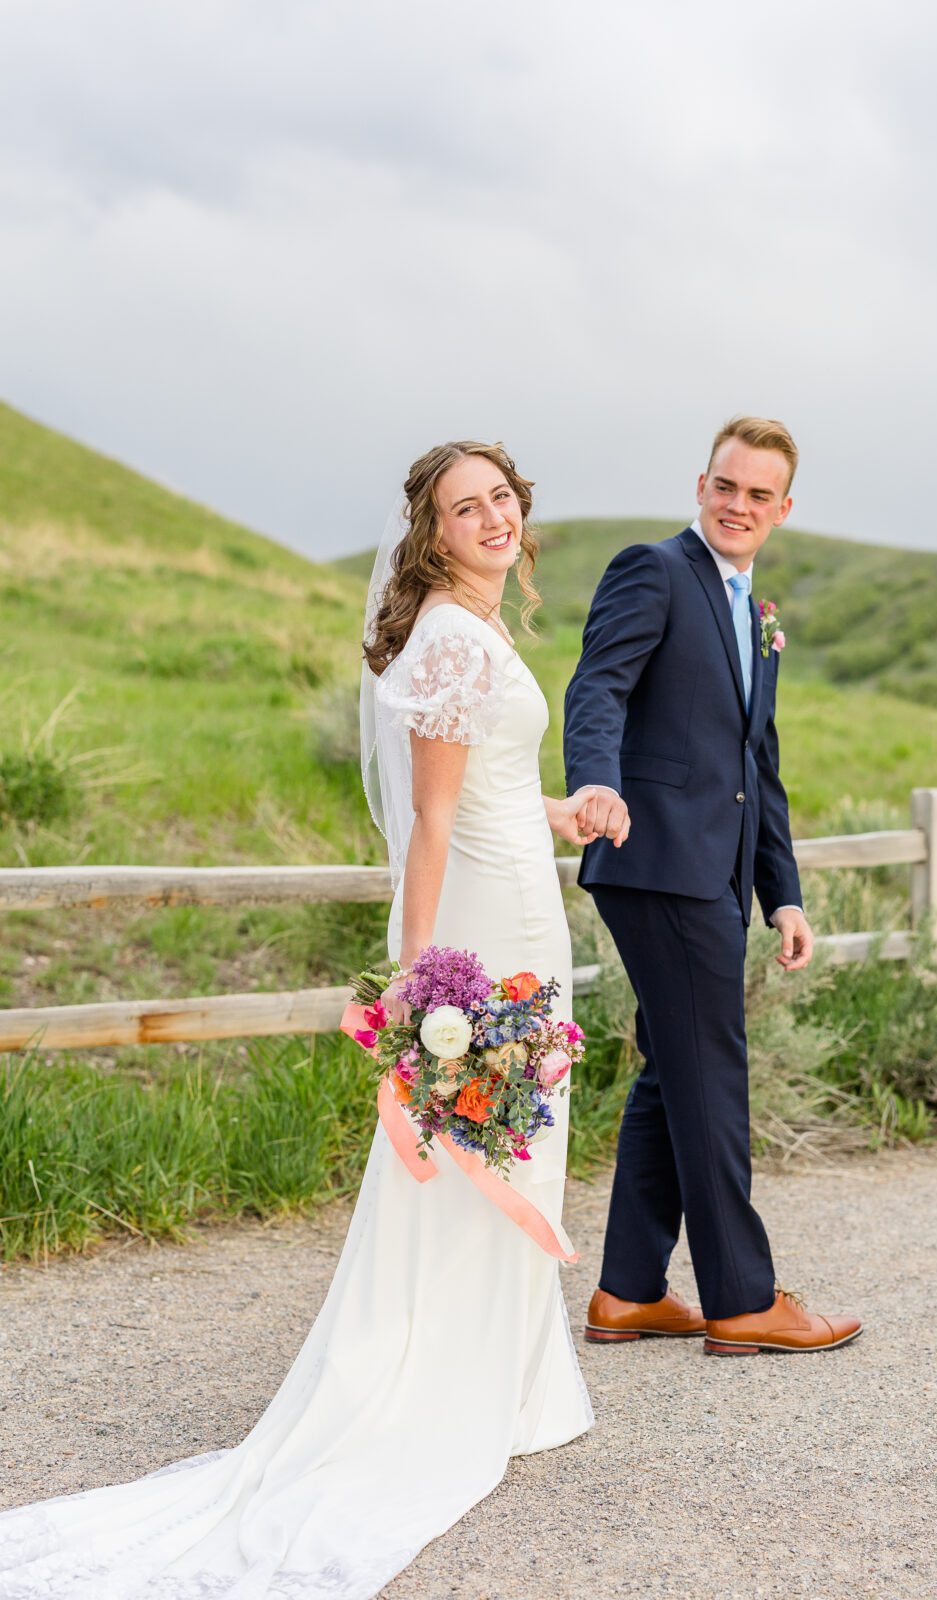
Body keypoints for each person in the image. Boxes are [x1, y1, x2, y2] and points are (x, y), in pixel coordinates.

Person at [0, 440, 601, 1598]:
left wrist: (559, 809)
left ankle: (510, 1381)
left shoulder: (472, 631)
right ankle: (449, 1388)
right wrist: (418, 978)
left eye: (500, 499)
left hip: (524, 915)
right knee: (474, 1148)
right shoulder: (451, 638)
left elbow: (478, 789)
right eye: (464, 508)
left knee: (508, 1146)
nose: (491, 518)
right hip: (483, 937)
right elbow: (430, 824)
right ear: (431, 534)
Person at [563, 415, 862, 1356]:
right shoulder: (653, 571)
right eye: (724, 486)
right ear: (701, 486)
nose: (738, 505)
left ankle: (627, 1291)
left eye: (757, 495)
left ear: (783, 508)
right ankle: (741, 1299)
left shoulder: (754, 616)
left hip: (713, 874)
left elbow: (755, 765)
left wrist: (784, 894)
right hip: (654, 857)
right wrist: (595, 782)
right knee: (712, 1073)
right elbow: (597, 687)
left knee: (676, 1066)